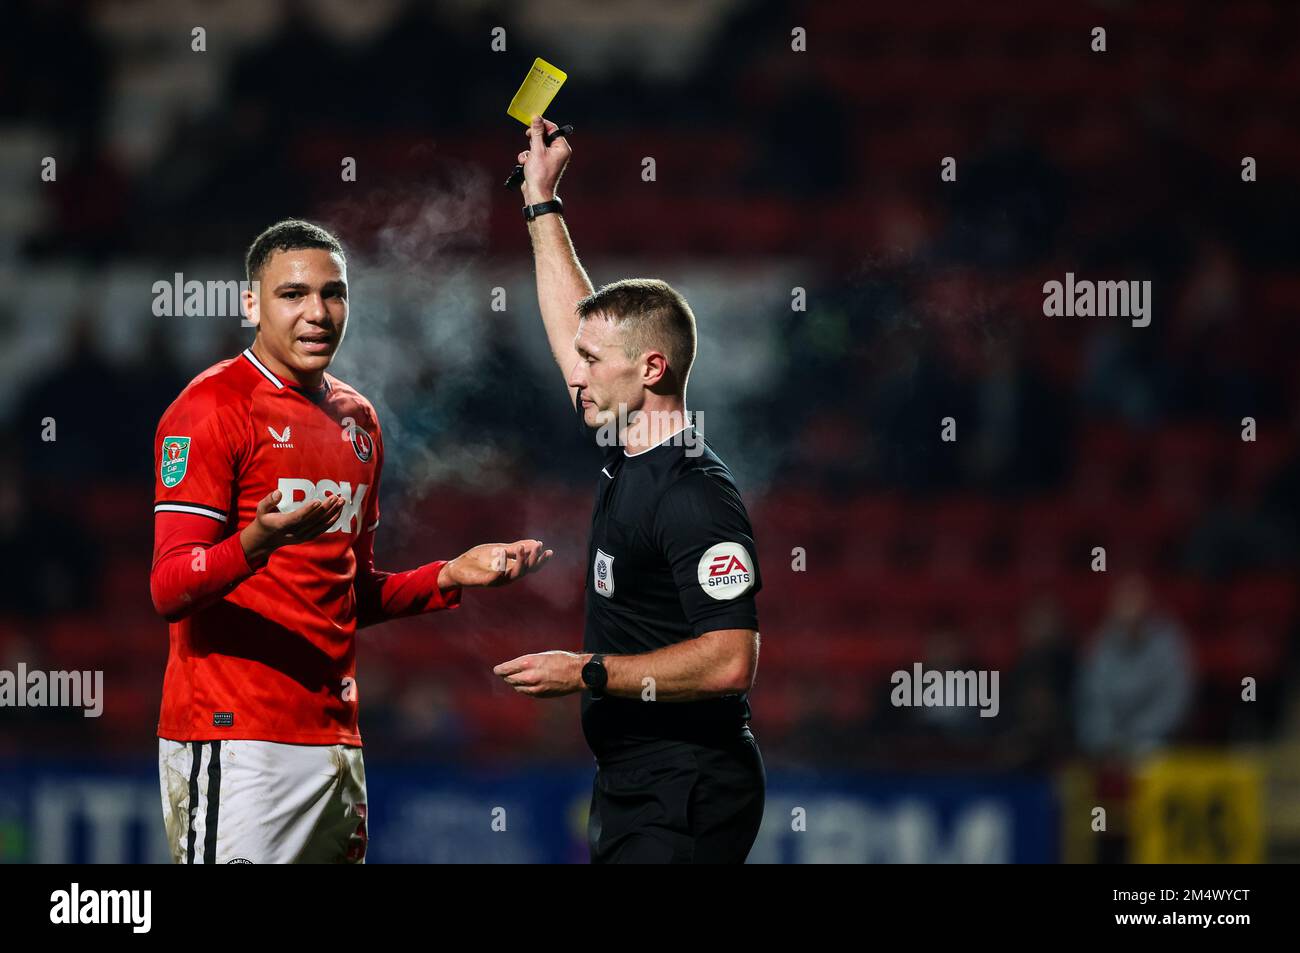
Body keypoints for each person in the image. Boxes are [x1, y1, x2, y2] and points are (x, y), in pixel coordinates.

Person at [151, 219, 551, 863]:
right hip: (238, 738)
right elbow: (170, 587)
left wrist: (449, 575)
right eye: (293, 294)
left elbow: (349, 595)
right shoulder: (210, 408)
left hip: (337, 746)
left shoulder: (357, 421)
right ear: (250, 303)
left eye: (334, 294)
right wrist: (257, 539)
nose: (318, 312)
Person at [492, 117, 765, 863]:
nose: (572, 371)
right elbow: (571, 325)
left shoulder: (694, 493)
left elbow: (731, 658)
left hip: (689, 787)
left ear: (648, 370)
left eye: (592, 360)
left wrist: (586, 671)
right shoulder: (626, 447)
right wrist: (542, 204)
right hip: (635, 782)